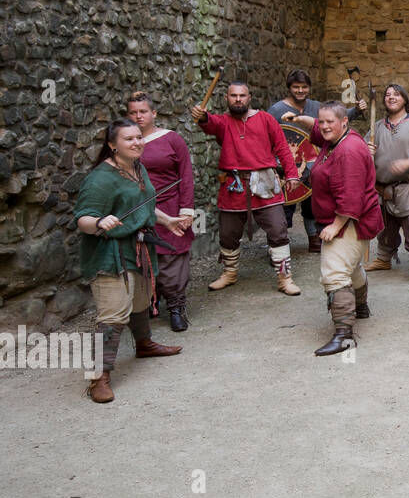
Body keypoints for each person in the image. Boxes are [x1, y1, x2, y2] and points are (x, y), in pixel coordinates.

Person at [74, 120, 184, 403]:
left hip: (139, 248)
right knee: (113, 314)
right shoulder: (100, 179)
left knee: (140, 300)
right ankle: (99, 376)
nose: (137, 143)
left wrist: (166, 219)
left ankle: (144, 344)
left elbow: (145, 203)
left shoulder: (138, 167)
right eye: (129, 139)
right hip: (109, 254)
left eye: (139, 137)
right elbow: (82, 219)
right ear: (113, 145)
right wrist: (99, 220)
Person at [192, 82, 303, 295]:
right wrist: (201, 115)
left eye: (242, 95)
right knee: (228, 234)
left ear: (249, 97)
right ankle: (229, 273)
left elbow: (282, 147)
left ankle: (284, 278)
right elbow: (208, 123)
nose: (238, 99)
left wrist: (291, 174)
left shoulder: (265, 119)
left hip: (265, 183)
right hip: (234, 186)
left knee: (278, 230)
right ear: (226, 98)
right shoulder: (223, 122)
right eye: (233, 96)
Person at [302, 102, 384, 356]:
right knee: (352, 266)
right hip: (353, 219)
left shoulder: (348, 151)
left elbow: (351, 196)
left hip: (350, 221)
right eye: (321, 121)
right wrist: (301, 119)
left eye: (330, 122)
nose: (324, 126)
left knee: (335, 273)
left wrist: (335, 226)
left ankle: (344, 336)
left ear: (344, 122)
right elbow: (318, 132)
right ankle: (360, 307)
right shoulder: (336, 138)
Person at [126, 91, 195, 332]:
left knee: (172, 256)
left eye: (143, 111)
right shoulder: (123, 143)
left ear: (153, 113)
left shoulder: (171, 139)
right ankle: (149, 304)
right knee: (141, 256)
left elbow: (186, 174)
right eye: (133, 113)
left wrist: (187, 210)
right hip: (137, 208)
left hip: (170, 206)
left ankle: (176, 306)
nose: (138, 116)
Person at [365, 84, 409, 290]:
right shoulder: (377, 126)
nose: (391, 97)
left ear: (404, 99)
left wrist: (408, 163)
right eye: (387, 95)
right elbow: (361, 153)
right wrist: (365, 151)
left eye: (396, 94)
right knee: (386, 228)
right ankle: (384, 258)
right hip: (383, 189)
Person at [268, 70, 323, 252]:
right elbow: (267, 137)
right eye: (296, 87)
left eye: (304, 87)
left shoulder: (316, 107)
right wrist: (276, 166)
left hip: (312, 164)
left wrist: (357, 110)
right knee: (284, 207)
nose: (300, 90)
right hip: (285, 165)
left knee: (312, 205)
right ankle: (279, 245)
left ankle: (314, 239)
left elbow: (336, 118)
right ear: (289, 88)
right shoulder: (276, 111)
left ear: (309, 88)